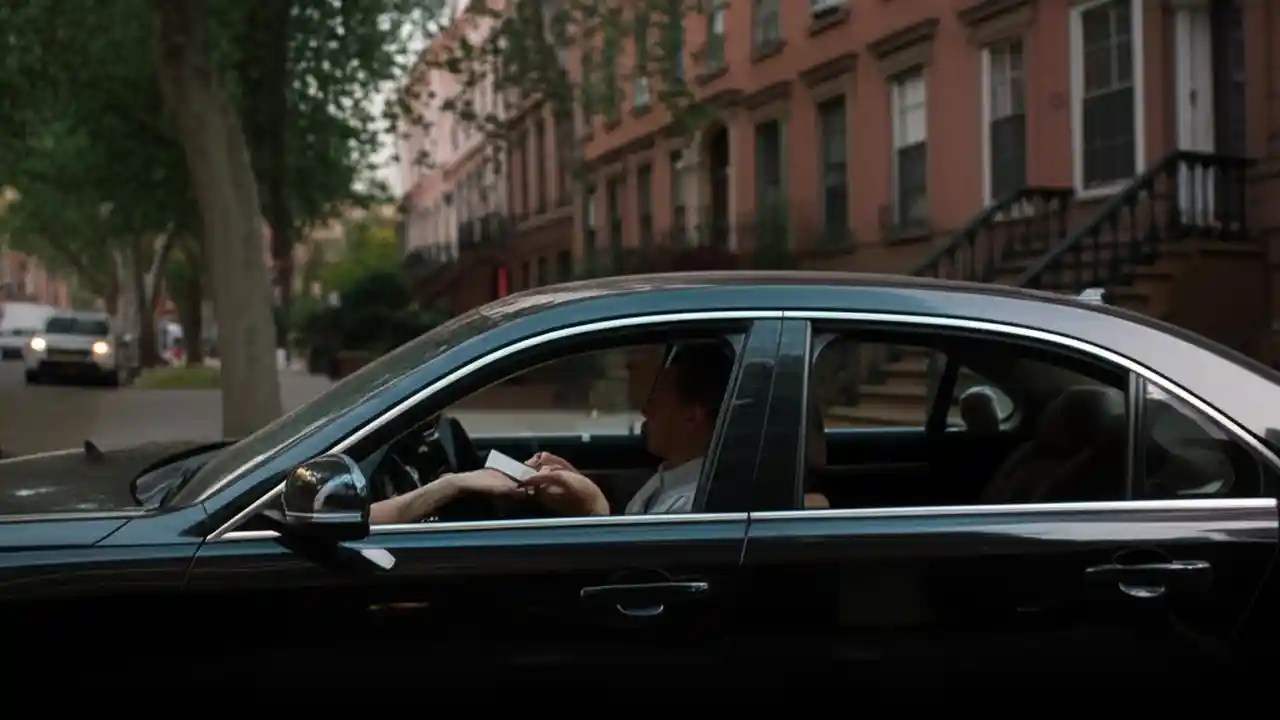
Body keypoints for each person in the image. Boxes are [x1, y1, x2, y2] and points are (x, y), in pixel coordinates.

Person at [369, 343, 736, 525]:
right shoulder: (671, 477)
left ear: (692, 417)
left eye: (656, 401)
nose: (644, 412)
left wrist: (593, 508)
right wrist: (579, 488)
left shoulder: (692, 502)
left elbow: (634, 581)